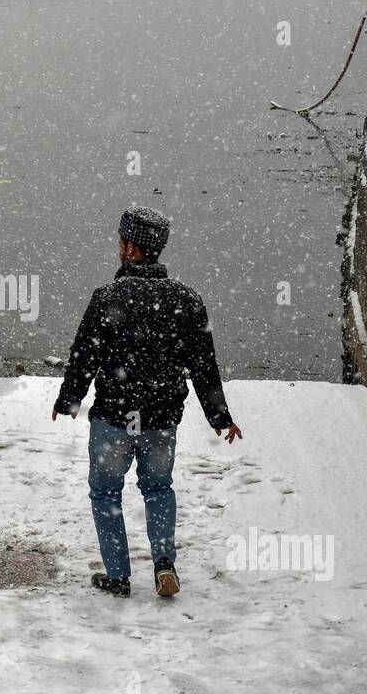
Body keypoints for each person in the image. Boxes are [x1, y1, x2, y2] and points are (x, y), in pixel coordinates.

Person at [52, 207, 242, 598]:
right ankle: (164, 564)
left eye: (122, 241)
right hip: (160, 419)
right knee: (158, 489)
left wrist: (69, 400)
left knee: (106, 493)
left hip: (115, 419)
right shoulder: (187, 300)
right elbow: (204, 365)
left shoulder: (107, 297)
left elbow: (84, 355)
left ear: (131, 248)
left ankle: (119, 576)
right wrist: (220, 417)